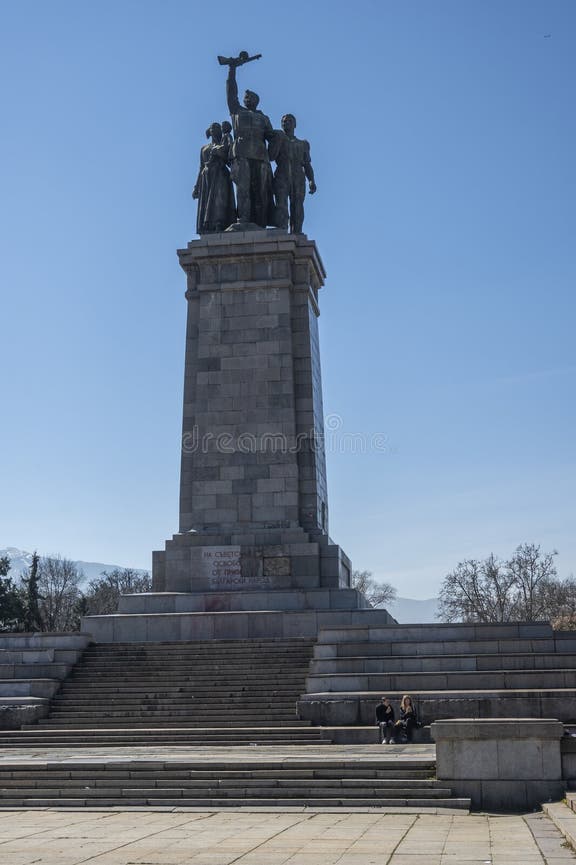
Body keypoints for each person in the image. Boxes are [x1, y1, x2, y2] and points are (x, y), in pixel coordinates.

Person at [223, 56, 274, 227]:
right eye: (245, 97)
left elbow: (273, 138)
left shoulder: (263, 118)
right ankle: (243, 219)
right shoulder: (237, 111)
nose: (246, 99)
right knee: (242, 189)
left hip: (260, 156)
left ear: (255, 100)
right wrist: (232, 69)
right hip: (241, 153)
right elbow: (231, 92)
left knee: (260, 192)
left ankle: (259, 222)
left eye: (249, 97)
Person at [271, 113, 316, 233]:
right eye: (284, 121)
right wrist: (275, 141)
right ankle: (282, 230)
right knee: (281, 205)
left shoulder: (303, 144)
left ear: (294, 124)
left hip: (298, 177)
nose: (286, 123)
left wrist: (311, 180)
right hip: (282, 174)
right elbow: (270, 156)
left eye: (289, 121)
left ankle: (297, 232)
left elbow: (307, 164)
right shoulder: (279, 138)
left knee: (297, 207)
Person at [192, 122, 236, 235]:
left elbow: (230, 158)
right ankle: (207, 225)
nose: (215, 131)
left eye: (217, 129)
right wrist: (196, 187)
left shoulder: (225, 143)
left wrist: (221, 150)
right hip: (207, 176)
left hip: (220, 174)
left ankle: (219, 223)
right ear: (210, 131)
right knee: (208, 203)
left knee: (220, 199)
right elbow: (201, 167)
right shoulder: (204, 149)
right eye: (213, 128)